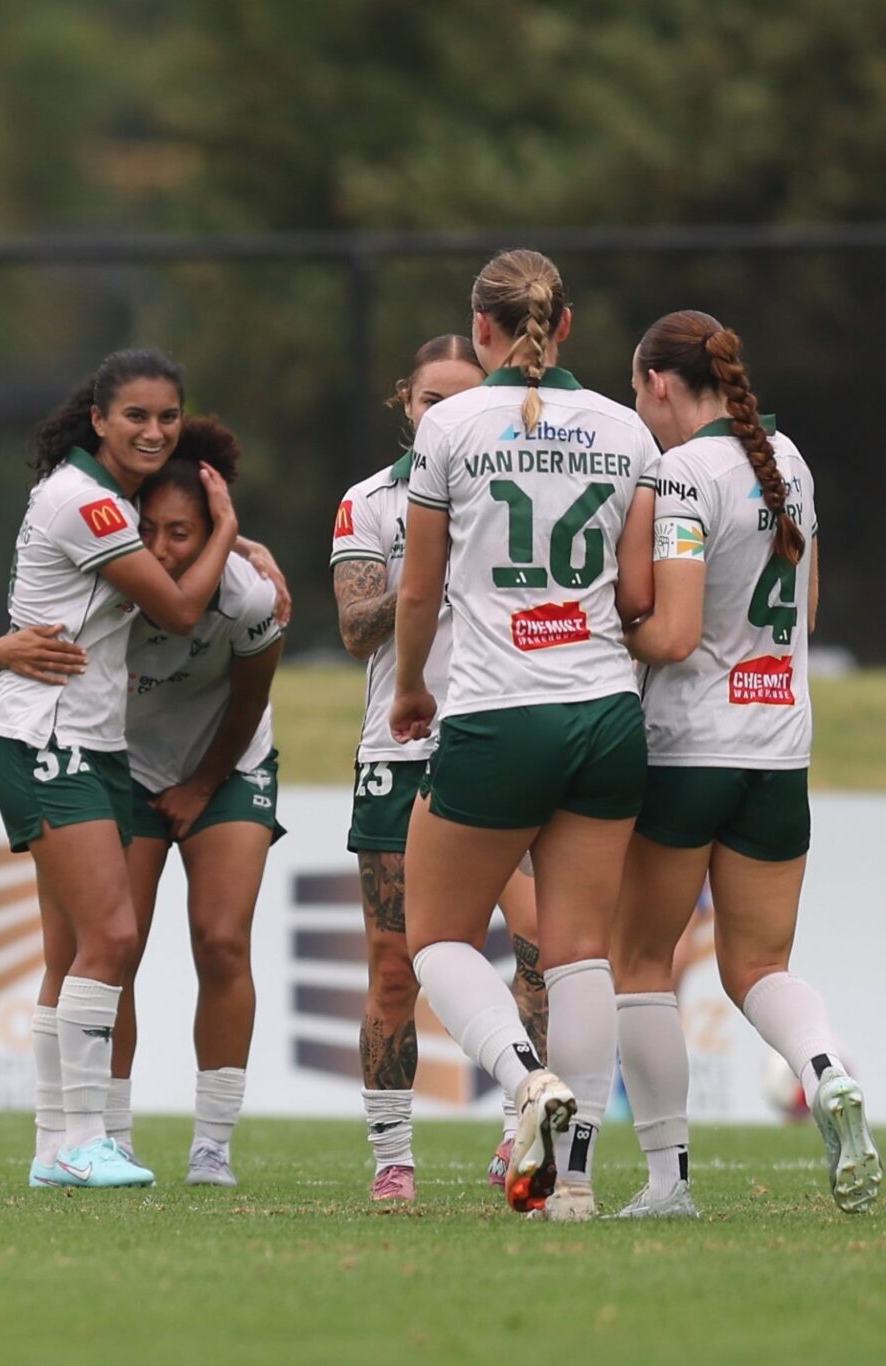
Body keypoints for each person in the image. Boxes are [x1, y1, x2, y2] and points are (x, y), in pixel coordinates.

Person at [393, 248, 657, 1222]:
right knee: (580, 951)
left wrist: (408, 691)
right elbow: (635, 594)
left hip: (497, 710)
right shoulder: (626, 429)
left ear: (479, 334)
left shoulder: (452, 424)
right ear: (568, 325)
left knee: (435, 937)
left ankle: (519, 1077)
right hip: (603, 712)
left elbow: (416, 587)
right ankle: (574, 1180)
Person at [612, 310, 877, 1217]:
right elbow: (800, 619)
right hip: (780, 750)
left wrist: (613, 632)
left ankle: (665, 1183)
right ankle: (824, 1070)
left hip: (690, 750)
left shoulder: (683, 475)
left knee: (639, 960)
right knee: (759, 965)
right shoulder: (790, 463)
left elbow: (676, 635)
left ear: (656, 383)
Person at [0, 418, 282, 1188]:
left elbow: (251, 701)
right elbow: (18, 650)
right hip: (121, 765)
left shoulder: (249, 597)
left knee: (221, 941)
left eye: (181, 532)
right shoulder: (108, 570)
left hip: (226, 762)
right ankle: (103, 1136)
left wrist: (205, 784)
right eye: (146, 528)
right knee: (115, 945)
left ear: (213, 528)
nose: (160, 546)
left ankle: (211, 1147)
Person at [331, 337, 548, 1204]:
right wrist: (427, 573)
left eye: (466, 394)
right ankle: (393, 1157)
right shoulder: (370, 502)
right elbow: (354, 630)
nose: (445, 412)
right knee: (394, 966)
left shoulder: (525, 484)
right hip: (400, 750)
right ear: (405, 403)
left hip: (505, 737)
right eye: (431, 398)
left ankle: (519, 1134)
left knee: (541, 952)